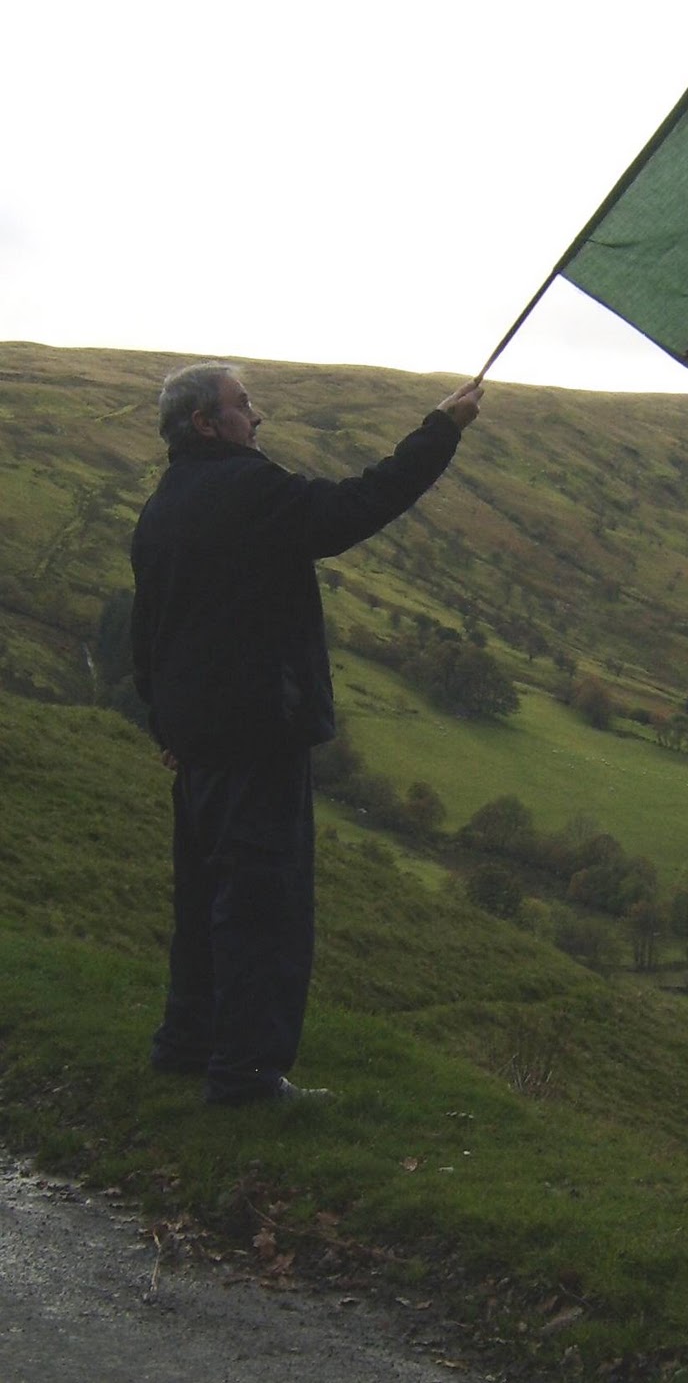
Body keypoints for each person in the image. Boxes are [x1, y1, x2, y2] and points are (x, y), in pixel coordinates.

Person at [131, 362, 484, 1105]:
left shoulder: (163, 506)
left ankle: (187, 1045)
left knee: (201, 905)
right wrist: (440, 431)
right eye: (242, 404)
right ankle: (247, 1076)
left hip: (198, 745)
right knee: (263, 905)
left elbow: (149, 631)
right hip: (258, 734)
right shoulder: (248, 492)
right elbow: (357, 506)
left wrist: (166, 723)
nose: (256, 417)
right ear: (205, 423)